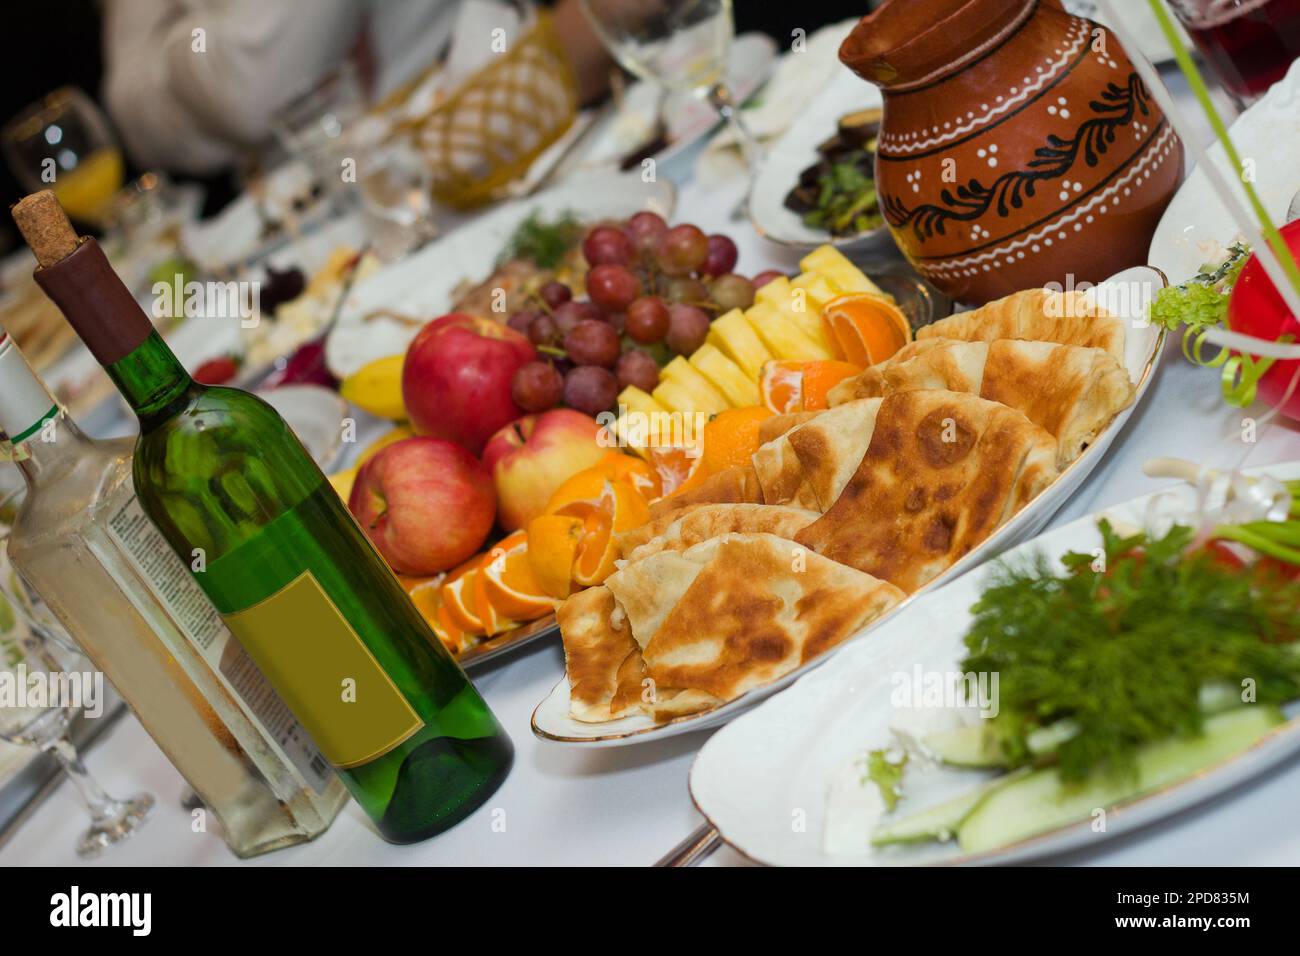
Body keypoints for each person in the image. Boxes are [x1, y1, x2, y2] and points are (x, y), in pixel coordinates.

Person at [101, 0, 611, 176]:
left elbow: (255, 91)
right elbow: (133, 119)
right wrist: (197, 48)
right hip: (311, 218)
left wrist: (189, 33)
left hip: (513, 116)